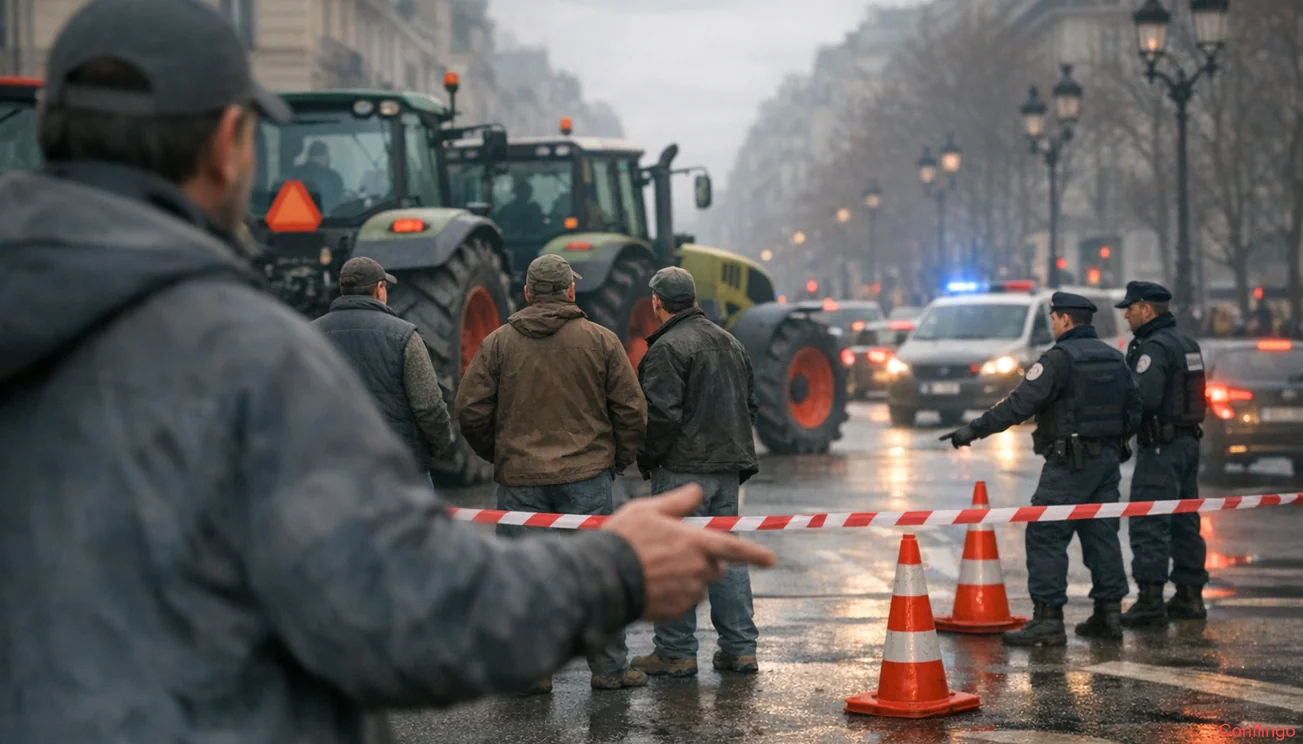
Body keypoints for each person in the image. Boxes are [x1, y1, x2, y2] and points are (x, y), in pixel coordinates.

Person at [0, 1, 776, 741]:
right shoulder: (244, 355)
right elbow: (396, 613)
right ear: (227, 141)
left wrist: (495, 446)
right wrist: (616, 568)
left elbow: (472, 404)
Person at [455, 253, 649, 693]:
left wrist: (500, 455)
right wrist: (615, 460)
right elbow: (632, 411)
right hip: (587, 476)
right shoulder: (601, 341)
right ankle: (610, 670)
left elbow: (469, 411)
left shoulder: (498, 343)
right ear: (570, 291)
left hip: (520, 479)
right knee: (597, 574)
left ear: (526, 293)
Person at [941, 292, 1142, 646]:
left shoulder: (1058, 361)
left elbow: (1019, 405)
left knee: (1045, 534)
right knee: (1101, 534)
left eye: (1053, 318)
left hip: (1069, 463)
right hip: (1106, 462)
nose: (1052, 325)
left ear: (1065, 320)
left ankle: (1048, 620)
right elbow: (1135, 407)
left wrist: (973, 429)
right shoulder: (1114, 359)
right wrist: (1117, 442)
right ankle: (1108, 614)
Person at [630, 267, 762, 677]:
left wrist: (647, 458)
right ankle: (740, 649)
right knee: (725, 556)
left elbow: (662, 417)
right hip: (727, 469)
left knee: (675, 558)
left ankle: (676, 653)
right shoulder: (731, 342)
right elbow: (750, 406)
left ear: (657, 303)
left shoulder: (667, 348)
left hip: (681, 470)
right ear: (693, 299)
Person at [311, 256, 456, 484]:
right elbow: (429, 405)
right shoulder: (404, 336)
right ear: (379, 289)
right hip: (399, 468)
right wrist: (440, 444)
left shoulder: (311, 335)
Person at [1115, 281, 1210, 626]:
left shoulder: (1154, 347)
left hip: (1160, 447)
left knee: (1149, 520)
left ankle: (1150, 599)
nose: (1126, 314)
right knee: (1186, 520)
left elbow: (1144, 398)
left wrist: (1121, 432)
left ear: (1147, 309)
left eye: (1130, 308)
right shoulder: (1187, 342)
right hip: (1188, 442)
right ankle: (1189, 596)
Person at [289, 140, 345, 211]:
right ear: (320, 157)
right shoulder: (333, 177)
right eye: (327, 155)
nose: (330, 159)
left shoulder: (295, 174)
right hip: (328, 220)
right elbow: (337, 204)